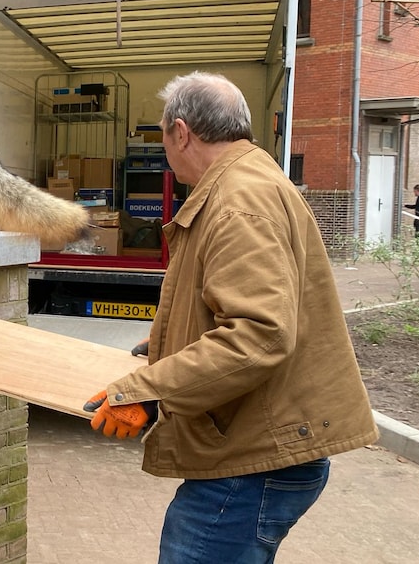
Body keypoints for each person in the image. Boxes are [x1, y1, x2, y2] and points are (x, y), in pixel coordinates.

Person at [83, 72, 378, 563]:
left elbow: (259, 335)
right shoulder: (249, 180)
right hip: (260, 447)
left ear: (181, 132)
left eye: (162, 135)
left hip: (255, 458)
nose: (165, 147)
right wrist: (172, 344)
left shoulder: (237, 202)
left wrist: (149, 389)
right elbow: (248, 309)